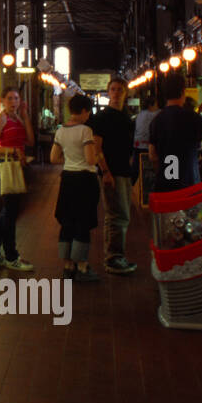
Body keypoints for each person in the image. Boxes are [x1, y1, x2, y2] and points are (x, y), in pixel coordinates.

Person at [88, 77, 137, 274]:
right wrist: (105, 171)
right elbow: (96, 146)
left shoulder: (125, 116)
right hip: (112, 172)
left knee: (118, 215)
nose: (116, 93)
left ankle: (115, 256)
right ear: (109, 92)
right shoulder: (102, 117)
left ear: (126, 93)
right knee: (118, 215)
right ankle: (114, 258)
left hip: (124, 170)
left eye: (120, 90)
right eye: (113, 89)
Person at [51, 93, 101, 281]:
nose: (88, 116)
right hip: (85, 180)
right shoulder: (85, 131)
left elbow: (53, 158)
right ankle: (82, 266)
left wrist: (70, 159)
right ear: (84, 111)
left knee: (67, 221)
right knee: (83, 221)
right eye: (88, 112)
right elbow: (90, 159)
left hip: (68, 179)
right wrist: (97, 158)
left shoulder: (60, 131)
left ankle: (67, 266)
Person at [0, 86, 35, 272]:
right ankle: (11, 256)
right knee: (10, 213)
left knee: (8, 212)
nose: (14, 102)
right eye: (10, 98)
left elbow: (30, 141)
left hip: (17, 165)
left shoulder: (18, 118)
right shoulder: (1, 119)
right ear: (3, 101)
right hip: (6, 165)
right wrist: (12, 150)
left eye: (16, 98)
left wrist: (26, 116)